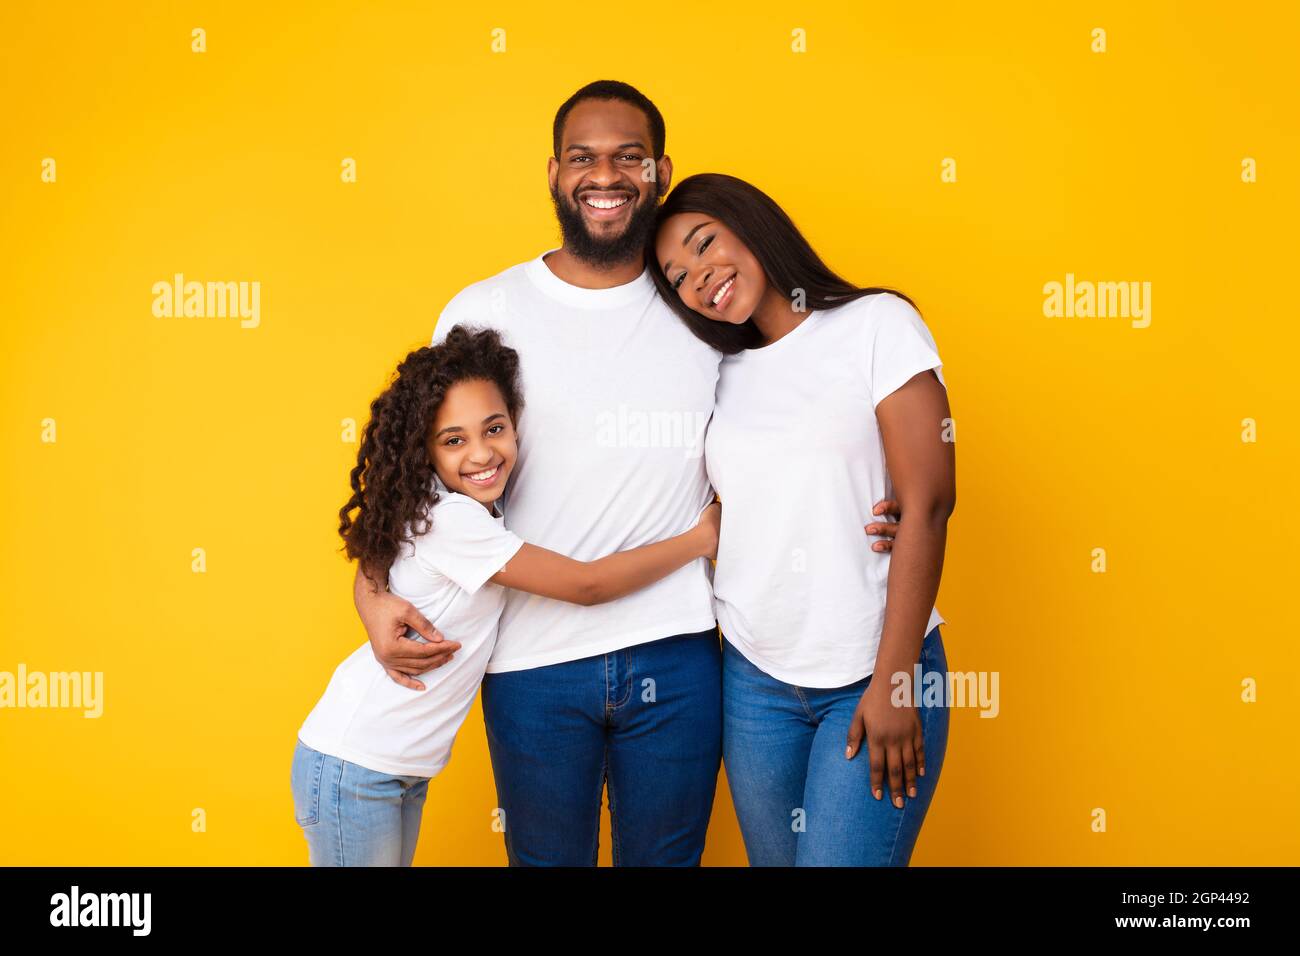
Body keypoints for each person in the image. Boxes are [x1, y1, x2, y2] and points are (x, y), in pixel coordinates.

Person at [351, 80, 906, 866]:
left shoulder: (700, 301)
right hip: (529, 663)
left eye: (628, 158)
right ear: (553, 174)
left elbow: (805, 403)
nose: (604, 177)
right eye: (583, 158)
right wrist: (369, 593)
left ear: (660, 171)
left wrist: (891, 504)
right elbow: (414, 488)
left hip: (677, 654)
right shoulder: (483, 308)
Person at [292, 324, 719, 866]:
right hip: (355, 767)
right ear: (422, 451)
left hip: (386, 767)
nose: (481, 453)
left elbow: (378, 555)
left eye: (494, 428)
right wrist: (699, 539)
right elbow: (585, 585)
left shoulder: (455, 510)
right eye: (454, 440)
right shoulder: (453, 523)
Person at [649, 172, 956, 866]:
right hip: (755, 680)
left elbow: (929, 504)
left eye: (705, 245)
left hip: (872, 665)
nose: (700, 277)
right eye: (677, 277)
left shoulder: (876, 324)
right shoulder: (717, 373)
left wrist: (895, 682)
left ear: (753, 224)